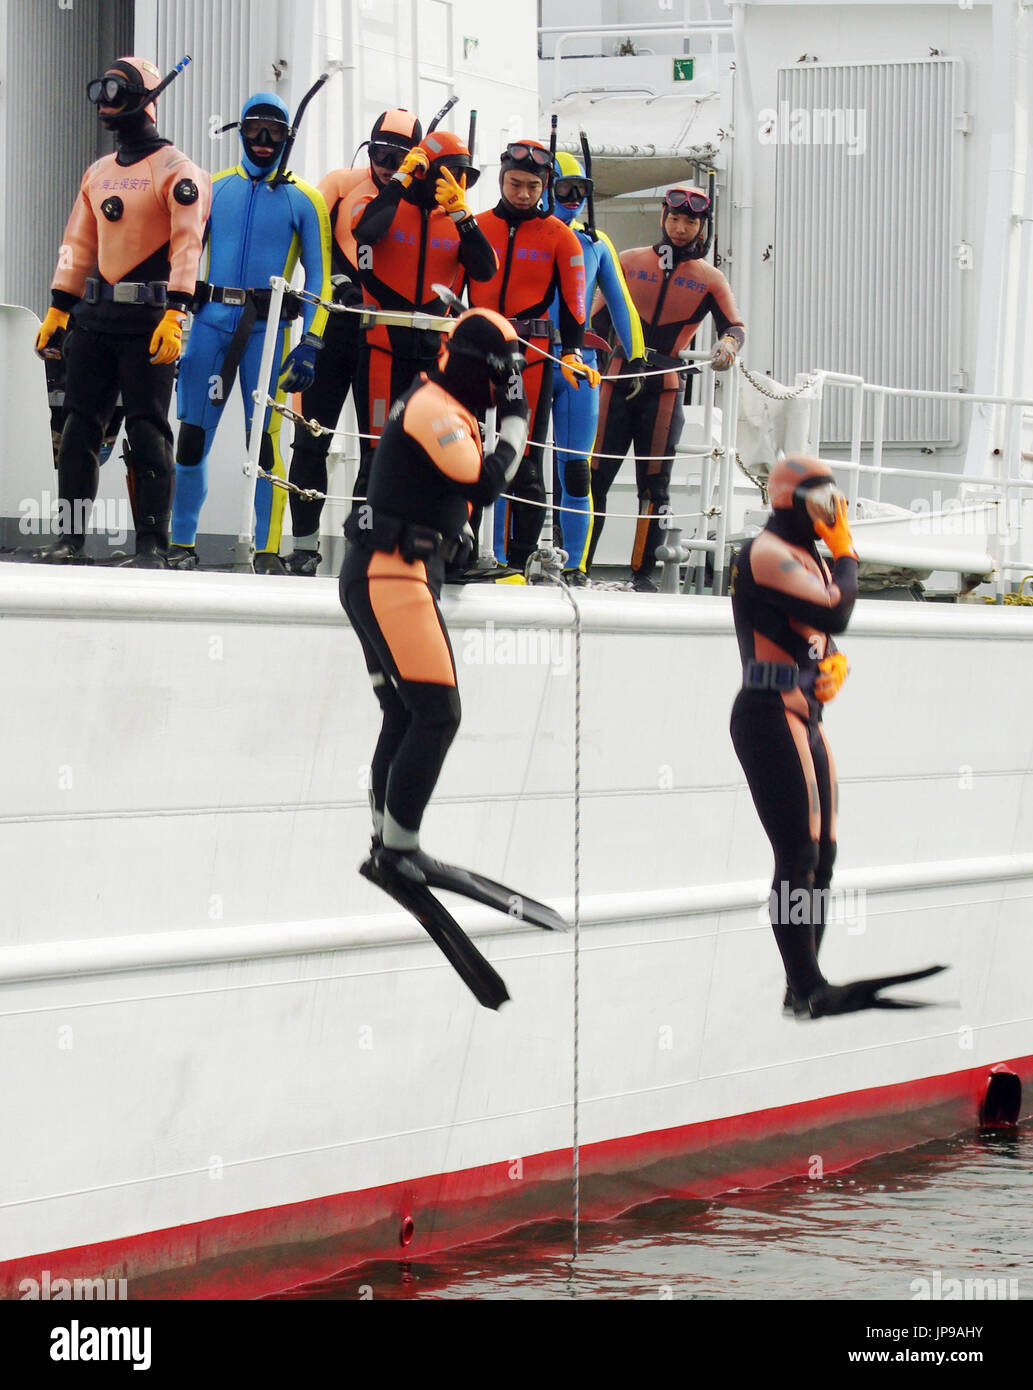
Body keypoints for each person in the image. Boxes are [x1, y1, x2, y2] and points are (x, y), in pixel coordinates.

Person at [340, 309, 565, 1007]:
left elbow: (443, 495)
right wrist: (519, 420)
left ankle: (387, 840)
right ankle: (401, 849)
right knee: (437, 713)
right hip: (391, 575)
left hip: (386, 571)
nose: (503, 387)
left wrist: (456, 537)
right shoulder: (437, 406)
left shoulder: (439, 395)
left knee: (404, 712)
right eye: (503, 375)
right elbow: (485, 479)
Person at [729, 454, 944, 1017]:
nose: (832, 515)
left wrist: (834, 663)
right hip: (768, 712)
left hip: (804, 710)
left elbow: (819, 630)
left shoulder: (804, 555)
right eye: (823, 503)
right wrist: (847, 551)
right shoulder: (768, 552)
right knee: (797, 850)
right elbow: (836, 611)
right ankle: (807, 985)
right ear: (789, 502)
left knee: (822, 852)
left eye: (836, 504)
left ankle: (802, 981)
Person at [33, 56, 208, 567]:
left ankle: (153, 546)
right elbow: (77, 245)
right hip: (94, 319)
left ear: (147, 99)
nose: (107, 103)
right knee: (78, 430)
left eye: (118, 91)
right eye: (102, 93)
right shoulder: (98, 172)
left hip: (148, 324)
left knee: (148, 429)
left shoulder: (179, 171)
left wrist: (177, 314)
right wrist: (58, 309)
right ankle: (70, 540)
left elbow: (188, 247)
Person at [169, 92, 331, 573]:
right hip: (209, 327)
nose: (263, 142)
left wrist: (311, 343)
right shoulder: (212, 189)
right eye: (255, 130)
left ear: (288, 138)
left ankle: (267, 551)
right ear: (239, 132)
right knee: (192, 438)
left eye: (274, 133)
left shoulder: (305, 199)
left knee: (263, 445)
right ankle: (180, 545)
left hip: (269, 337)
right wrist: (173, 320)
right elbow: (181, 257)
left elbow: (320, 278)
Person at [586, 185, 745, 591]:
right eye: (674, 218)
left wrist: (727, 344)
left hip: (665, 385)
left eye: (689, 221)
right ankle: (580, 568)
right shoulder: (629, 260)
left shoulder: (710, 278)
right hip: (617, 378)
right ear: (663, 218)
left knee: (654, 485)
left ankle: (641, 576)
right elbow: (597, 323)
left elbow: (734, 326)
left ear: (701, 226)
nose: (679, 227)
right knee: (594, 476)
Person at [285, 110, 422, 575]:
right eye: (380, 153)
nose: (387, 165)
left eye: (398, 159)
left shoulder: (416, 198)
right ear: (368, 149)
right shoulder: (342, 183)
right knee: (310, 439)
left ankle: (366, 546)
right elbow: (306, 233)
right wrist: (333, 279)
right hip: (331, 327)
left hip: (383, 338)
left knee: (378, 448)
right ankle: (304, 547)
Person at [466, 138, 596, 575]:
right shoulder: (477, 224)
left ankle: (519, 563)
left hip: (533, 358)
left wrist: (574, 350)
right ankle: (470, 554)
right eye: (514, 183)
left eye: (532, 186)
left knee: (524, 464)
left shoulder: (560, 237)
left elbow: (577, 303)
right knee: (468, 452)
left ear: (545, 186)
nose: (523, 193)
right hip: (477, 352)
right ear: (502, 179)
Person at [350, 126, 496, 499]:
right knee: (376, 452)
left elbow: (485, 270)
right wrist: (400, 179)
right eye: (448, 172)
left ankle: (432, 547)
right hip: (382, 346)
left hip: (436, 354)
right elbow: (365, 231)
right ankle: (366, 547)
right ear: (424, 169)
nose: (456, 182)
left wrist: (462, 214)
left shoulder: (459, 220)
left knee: (435, 454)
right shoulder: (387, 205)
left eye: (463, 176)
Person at [548, 151, 644, 584]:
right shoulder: (525, 234)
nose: (572, 198)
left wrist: (637, 358)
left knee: (576, 468)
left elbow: (621, 302)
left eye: (580, 191)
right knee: (519, 462)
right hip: (530, 357)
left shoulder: (596, 243)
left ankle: (574, 565)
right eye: (563, 189)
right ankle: (507, 556)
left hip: (580, 365)